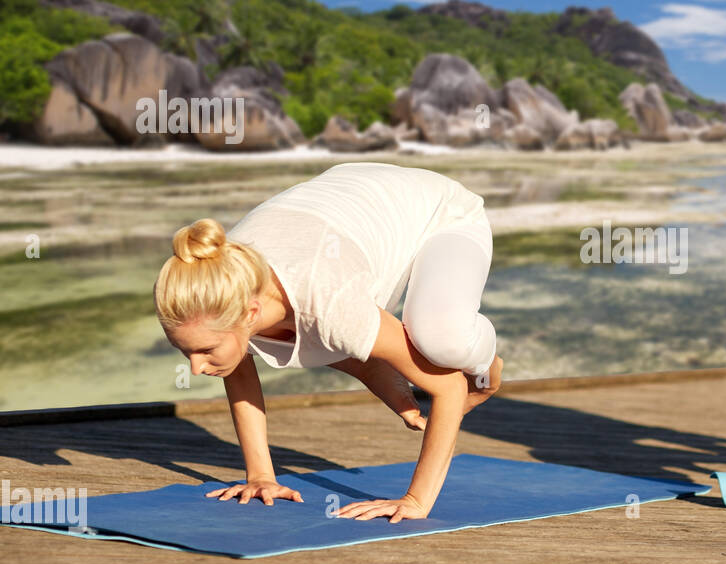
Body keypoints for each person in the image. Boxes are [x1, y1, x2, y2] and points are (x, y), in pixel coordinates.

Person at [153, 161, 503, 523]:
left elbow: (447, 387)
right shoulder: (222, 283)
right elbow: (239, 370)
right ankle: (398, 377)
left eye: (205, 350)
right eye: (186, 351)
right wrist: (260, 478)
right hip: (352, 200)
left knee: (441, 340)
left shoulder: (329, 301)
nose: (194, 367)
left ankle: (482, 358)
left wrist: (415, 500)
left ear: (251, 313)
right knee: (312, 337)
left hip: (441, 213)